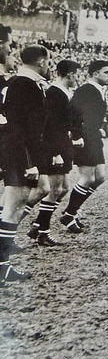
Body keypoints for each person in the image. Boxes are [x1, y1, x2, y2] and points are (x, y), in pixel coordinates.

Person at [0, 44, 50, 284]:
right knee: (13, 207)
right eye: (47, 61)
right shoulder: (25, 84)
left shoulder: (23, 83)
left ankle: (3, 266)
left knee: (13, 206)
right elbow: (19, 127)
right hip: (20, 153)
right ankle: (2, 267)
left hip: (19, 152)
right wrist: (29, 161)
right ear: (41, 61)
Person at [27, 59, 81, 247]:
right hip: (54, 144)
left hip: (61, 142)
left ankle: (38, 224)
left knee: (63, 188)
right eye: (76, 74)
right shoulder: (55, 93)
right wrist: (56, 152)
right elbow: (50, 124)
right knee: (54, 189)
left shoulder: (62, 92)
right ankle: (42, 230)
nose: (77, 78)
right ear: (69, 74)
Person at [61, 59, 108, 234]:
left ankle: (71, 211)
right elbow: (73, 114)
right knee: (87, 178)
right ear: (95, 73)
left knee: (100, 177)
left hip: (94, 136)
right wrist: (77, 135)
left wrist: (99, 128)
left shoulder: (98, 90)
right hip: (85, 138)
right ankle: (70, 213)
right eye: (106, 72)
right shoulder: (86, 90)